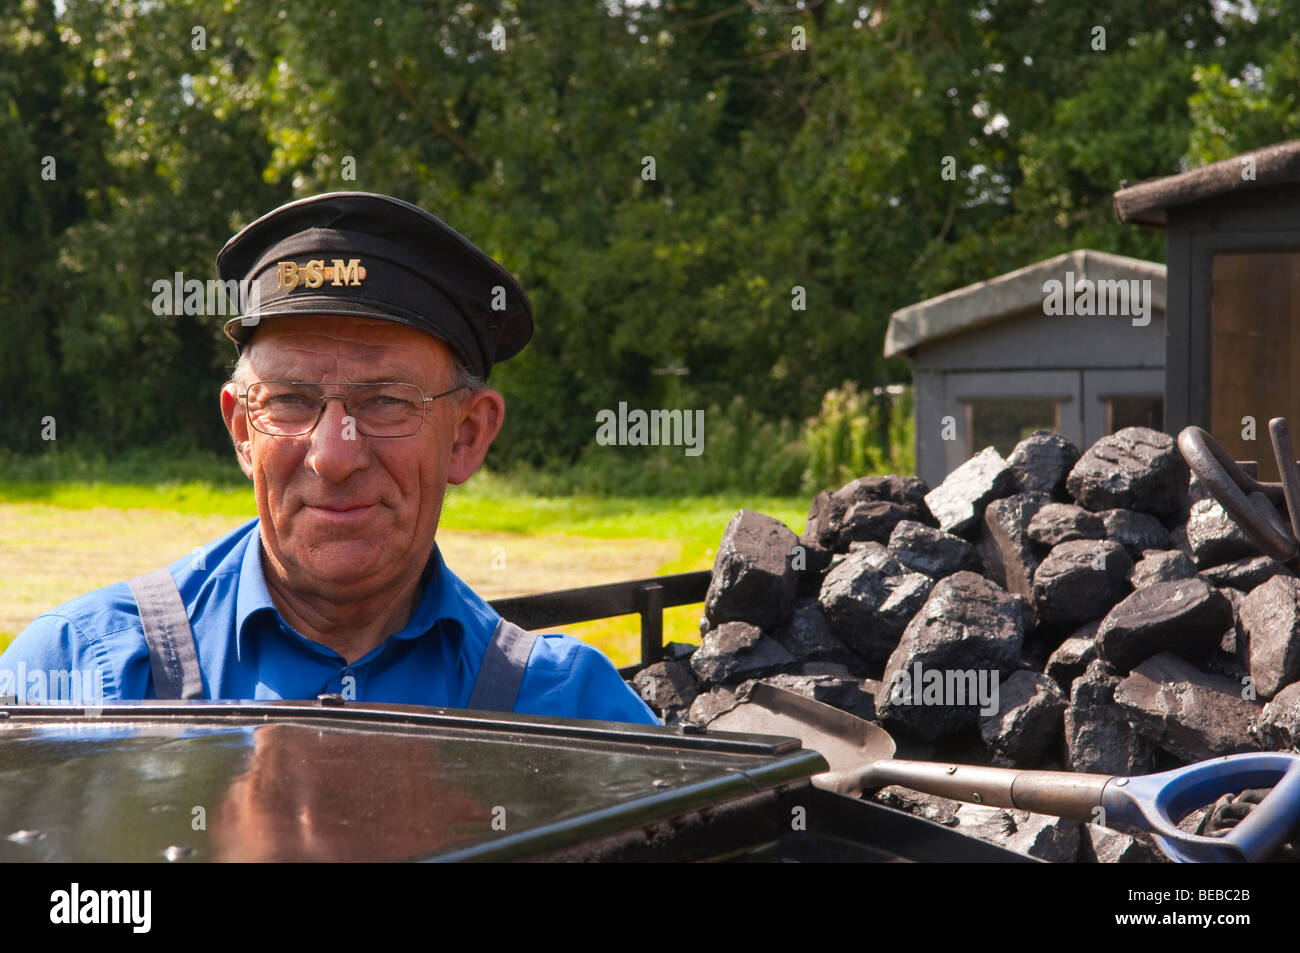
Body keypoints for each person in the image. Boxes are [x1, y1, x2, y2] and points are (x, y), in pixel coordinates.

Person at [0, 191, 658, 725]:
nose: (333, 455)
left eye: (385, 401)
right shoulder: (79, 673)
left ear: (467, 435)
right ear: (241, 430)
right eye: (289, 400)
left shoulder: (567, 708)